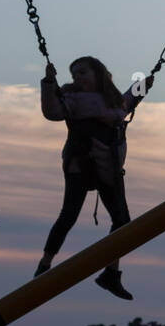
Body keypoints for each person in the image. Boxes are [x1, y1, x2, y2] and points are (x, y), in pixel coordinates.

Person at [37, 56, 152, 300]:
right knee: (68, 215)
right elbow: (52, 111)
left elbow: (128, 102)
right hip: (81, 163)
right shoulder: (72, 99)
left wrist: (144, 84)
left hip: (109, 167)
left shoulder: (113, 101)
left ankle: (111, 272)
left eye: (82, 72)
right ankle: (44, 265)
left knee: (123, 222)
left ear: (98, 74)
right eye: (74, 74)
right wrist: (49, 82)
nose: (77, 78)